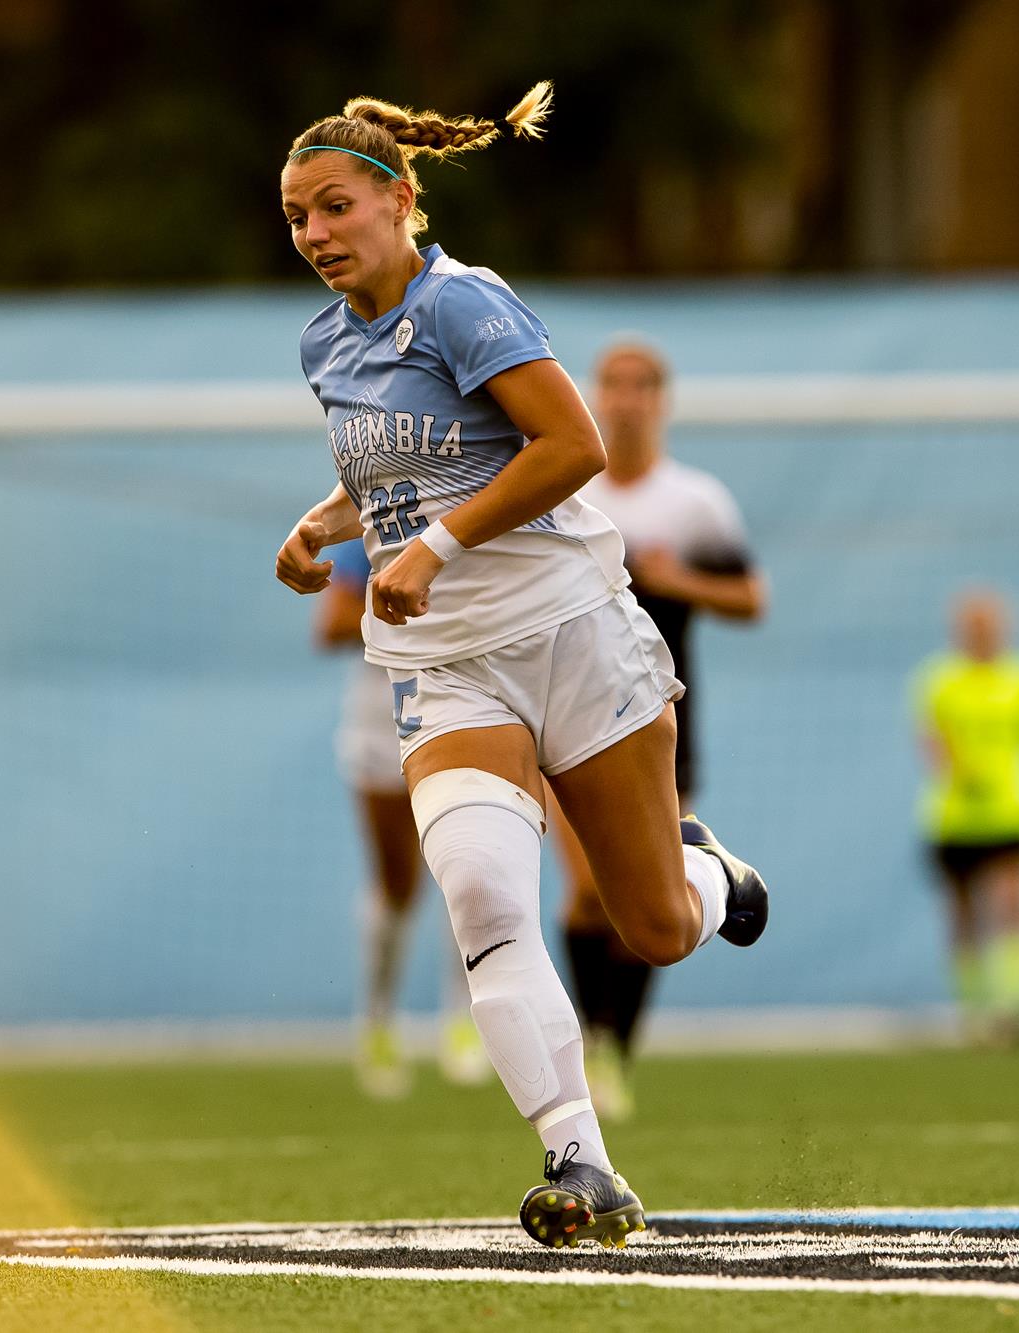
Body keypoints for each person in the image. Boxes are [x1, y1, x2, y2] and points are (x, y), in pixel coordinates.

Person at [273, 85, 769, 1250]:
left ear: (401, 197)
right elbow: (392, 471)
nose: (313, 233)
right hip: (445, 668)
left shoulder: (464, 301)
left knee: (651, 926)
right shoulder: (323, 343)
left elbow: (569, 445)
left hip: (571, 634)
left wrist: (436, 547)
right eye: (295, 216)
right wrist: (322, 526)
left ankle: (714, 879)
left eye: (333, 206)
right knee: (484, 897)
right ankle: (579, 1160)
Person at [554, 338, 767, 1121]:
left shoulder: (694, 501)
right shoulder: (565, 489)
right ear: (593, 394)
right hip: (566, 711)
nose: (626, 398)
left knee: (645, 904)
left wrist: (678, 578)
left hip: (658, 719)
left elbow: (751, 597)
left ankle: (616, 1048)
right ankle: (594, 1040)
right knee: (586, 892)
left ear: (661, 400)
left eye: (641, 385)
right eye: (613, 383)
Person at [317, 537, 490, 1097]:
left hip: (464, 706)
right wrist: (396, 610)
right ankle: (377, 1020)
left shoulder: (475, 521)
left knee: (468, 868)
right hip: (384, 718)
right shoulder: (369, 528)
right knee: (398, 883)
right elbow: (331, 625)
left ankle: (466, 1021)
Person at [913, 587, 1019, 1046]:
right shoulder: (939, 680)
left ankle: (1018, 1008)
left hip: (1013, 814)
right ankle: (975, 1013)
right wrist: (959, 772)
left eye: (989, 625)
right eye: (972, 625)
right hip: (954, 818)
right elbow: (931, 741)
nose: (981, 633)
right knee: (964, 916)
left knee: (1016, 907)